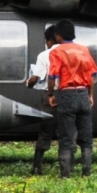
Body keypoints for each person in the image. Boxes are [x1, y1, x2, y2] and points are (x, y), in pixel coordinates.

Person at [45, 18, 97, 178]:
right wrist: (90, 95)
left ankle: (65, 174)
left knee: (66, 136)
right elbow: (92, 76)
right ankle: (86, 172)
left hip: (67, 95)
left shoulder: (57, 51)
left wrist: (50, 94)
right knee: (86, 135)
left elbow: (52, 76)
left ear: (58, 35)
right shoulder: (84, 50)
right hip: (83, 94)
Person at [25, 25, 58, 175]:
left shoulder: (45, 55)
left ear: (50, 40)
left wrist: (29, 82)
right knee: (68, 131)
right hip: (70, 95)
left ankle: (37, 167)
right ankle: (67, 168)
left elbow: (35, 78)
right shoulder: (73, 53)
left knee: (45, 131)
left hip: (50, 95)